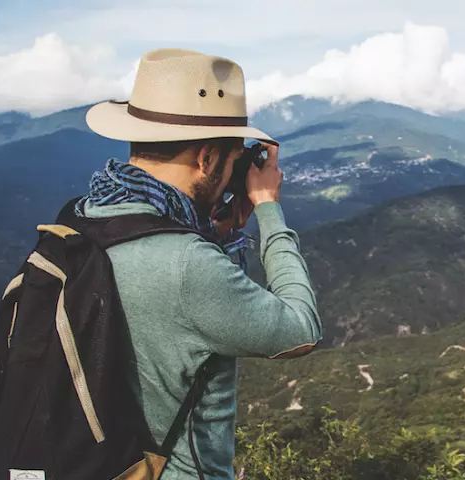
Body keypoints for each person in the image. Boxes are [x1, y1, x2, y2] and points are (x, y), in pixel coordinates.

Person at [80, 48, 323, 480]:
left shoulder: (84, 219)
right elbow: (301, 331)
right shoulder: (187, 264)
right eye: (233, 159)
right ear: (207, 158)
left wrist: (224, 230)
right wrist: (267, 208)